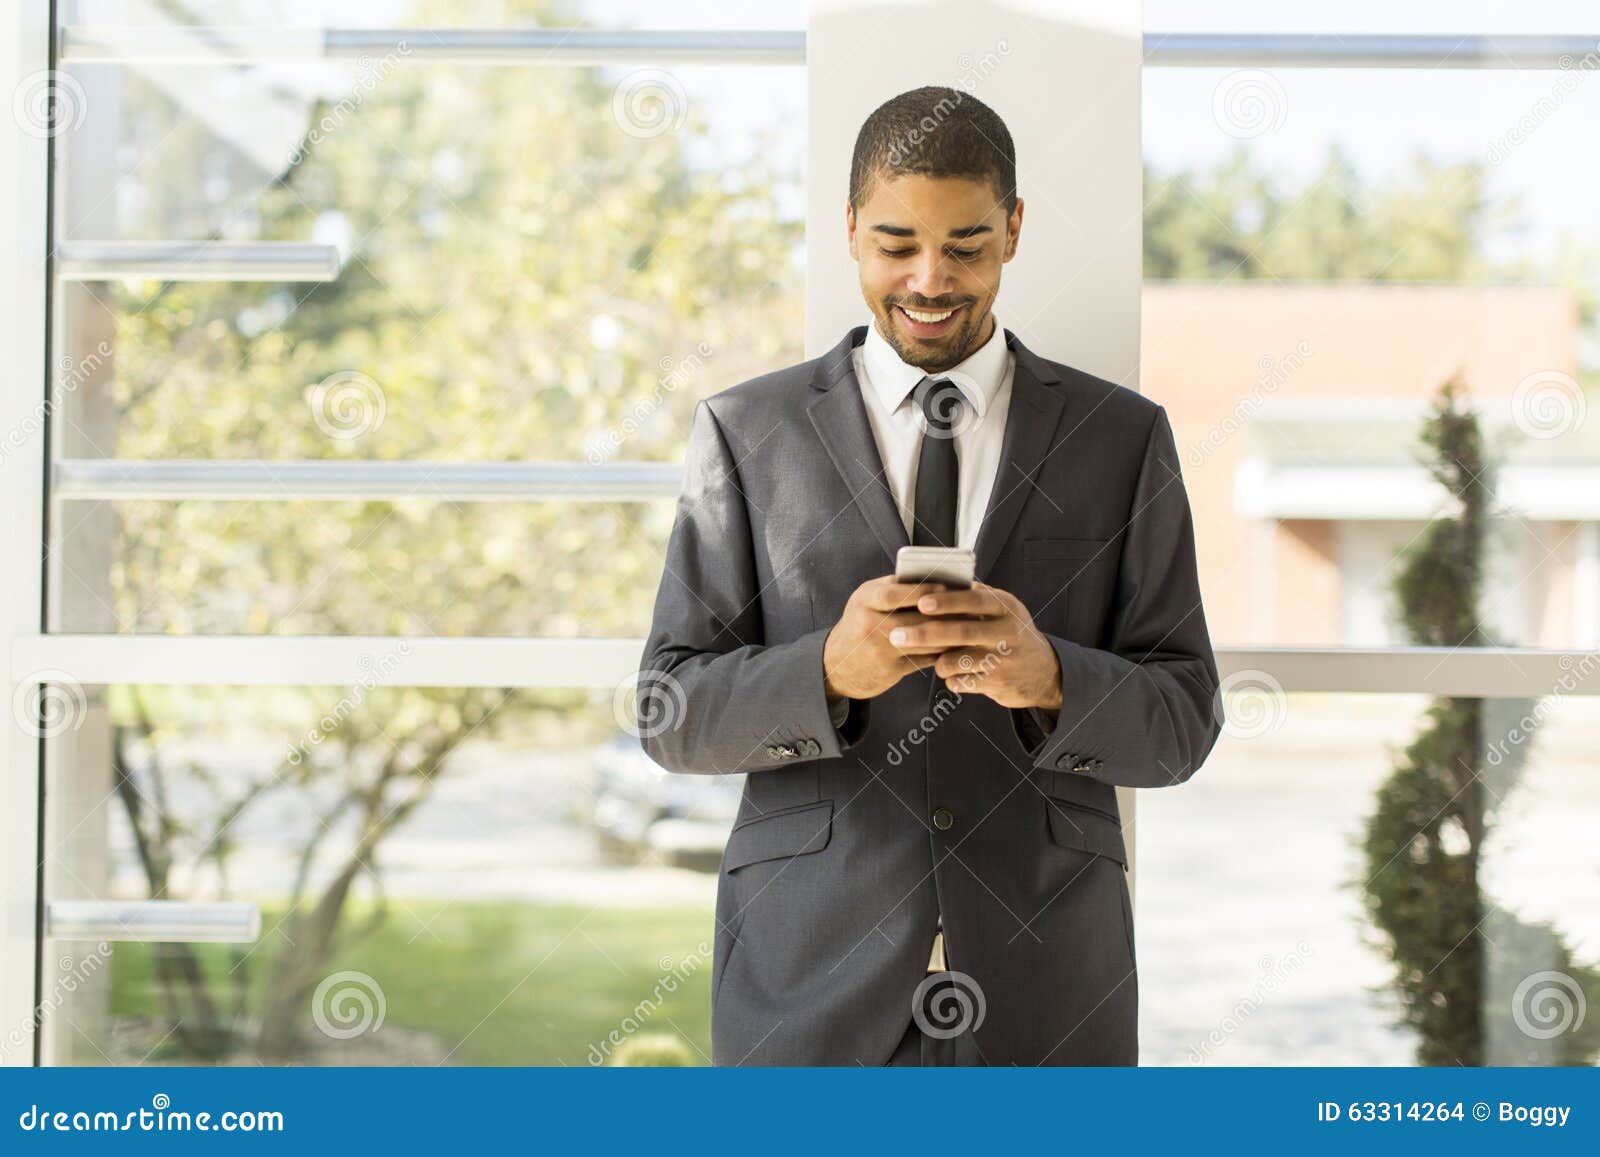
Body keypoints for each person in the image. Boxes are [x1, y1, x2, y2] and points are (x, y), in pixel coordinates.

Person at [638, 85, 1222, 1066]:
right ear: (850, 231)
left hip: (1049, 985)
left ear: (1015, 228)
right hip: (806, 984)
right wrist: (828, 668)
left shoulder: (1120, 438)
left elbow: (1182, 720)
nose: (929, 278)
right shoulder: (747, 435)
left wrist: (1049, 678)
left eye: (965, 245)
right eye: (896, 242)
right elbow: (670, 710)